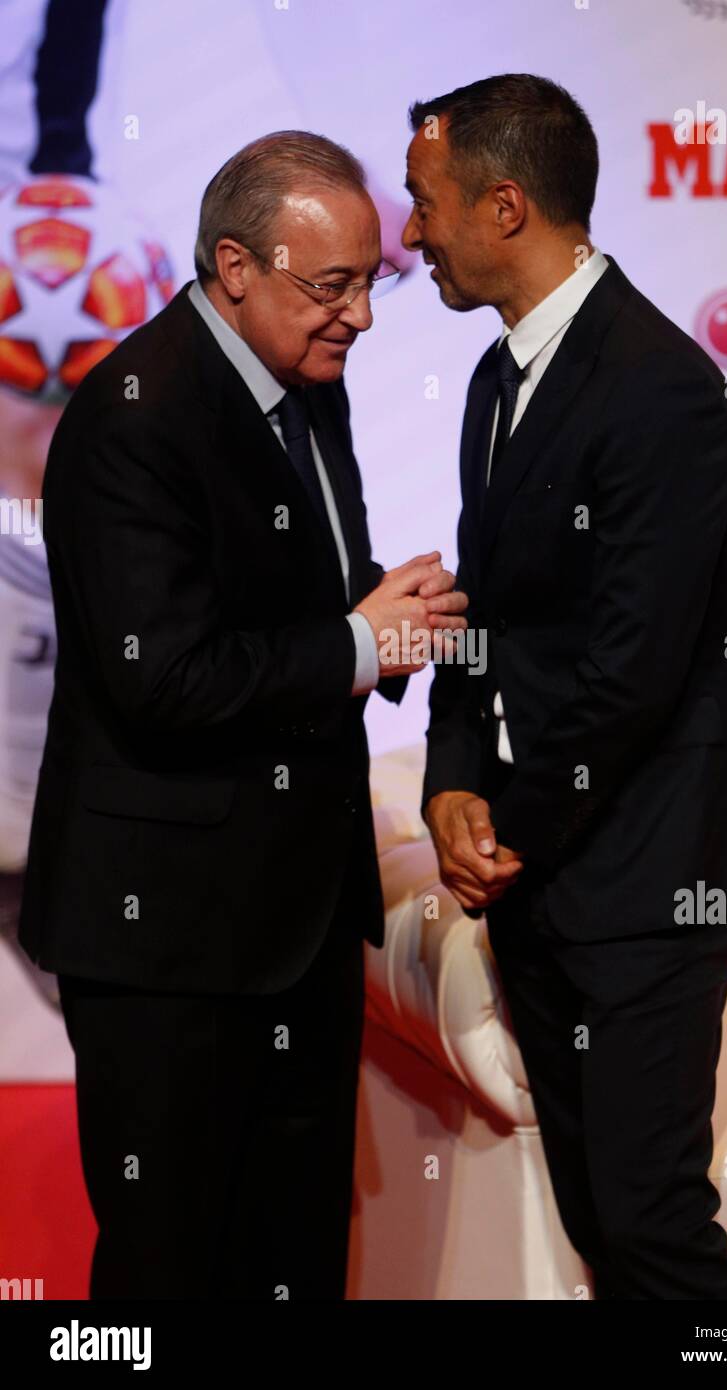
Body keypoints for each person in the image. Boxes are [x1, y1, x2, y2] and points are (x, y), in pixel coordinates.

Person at [18, 129, 466, 1300]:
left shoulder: (306, 383)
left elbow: (322, 602)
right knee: (172, 1265)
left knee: (294, 1252)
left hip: (299, 915)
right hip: (165, 932)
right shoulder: (133, 417)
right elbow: (158, 680)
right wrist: (360, 642)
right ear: (232, 266)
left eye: (371, 280)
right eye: (333, 286)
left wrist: (402, 623)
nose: (360, 315)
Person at [407, 74, 727, 1300]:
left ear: (504, 206)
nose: (411, 235)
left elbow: (635, 667)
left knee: (648, 1223)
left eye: (424, 205)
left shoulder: (661, 389)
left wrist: (505, 827)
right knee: (600, 1220)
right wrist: (451, 782)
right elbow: (488, 612)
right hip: (548, 877)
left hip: (652, 879)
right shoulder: (493, 379)